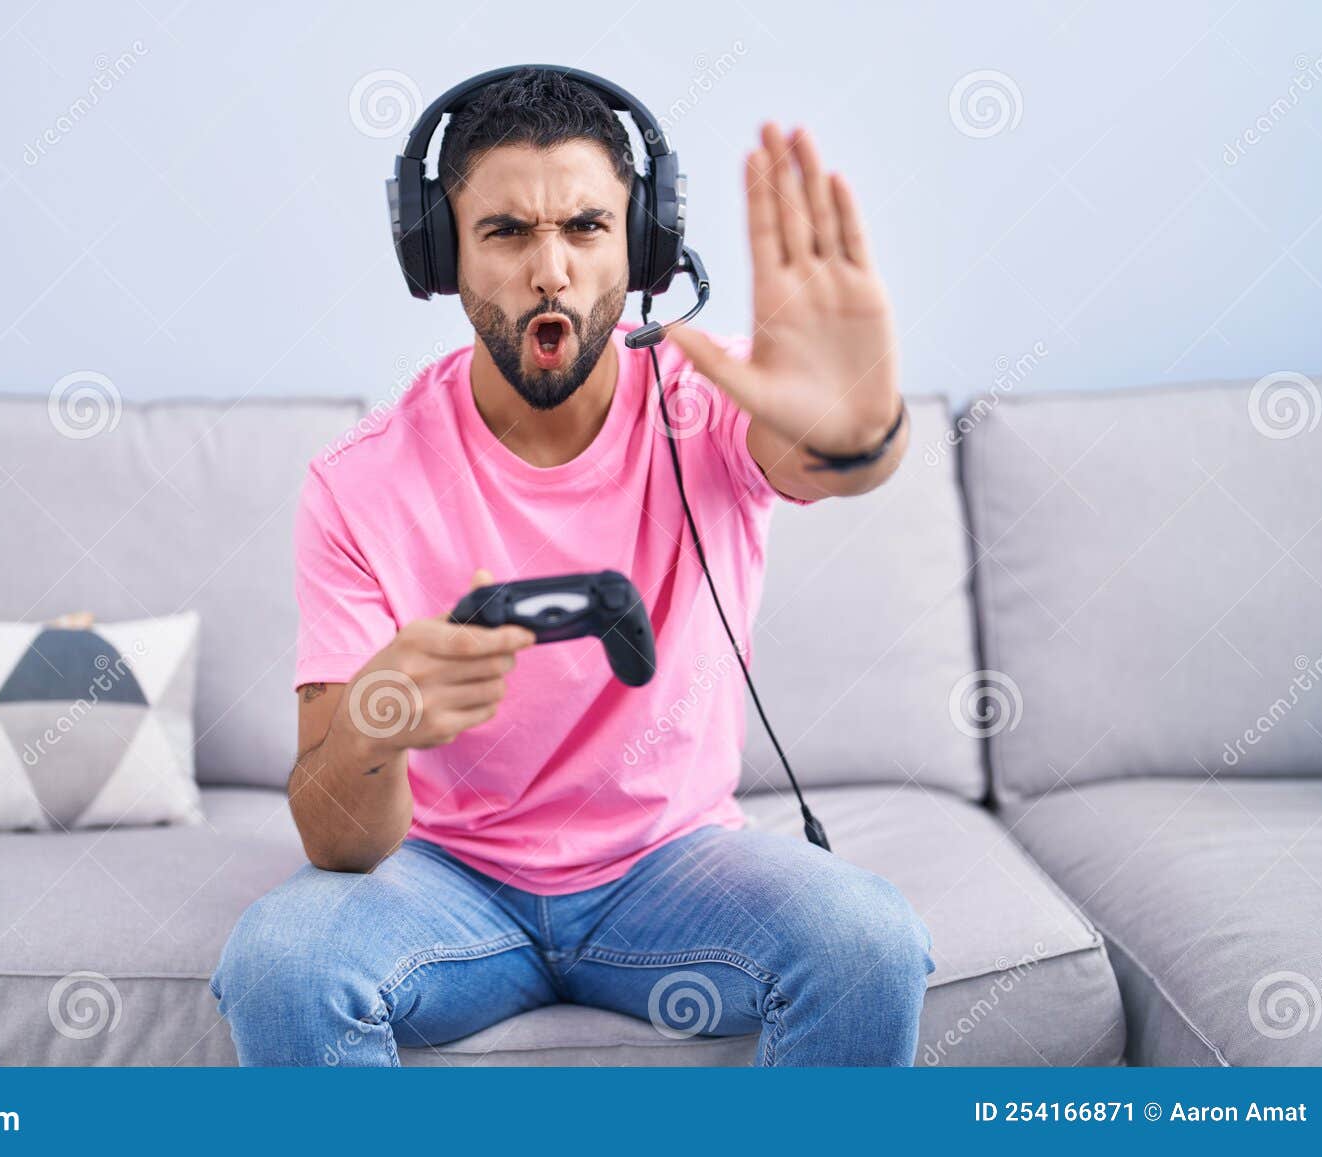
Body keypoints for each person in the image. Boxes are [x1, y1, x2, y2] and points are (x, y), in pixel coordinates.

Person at [211, 67, 932, 1066]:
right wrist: (375, 721)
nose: (550, 270)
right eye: (505, 231)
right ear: (441, 254)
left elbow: (823, 452)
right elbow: (339, 843)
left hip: (672, 866)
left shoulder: (709, 400)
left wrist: (861, 429)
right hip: (446, 878)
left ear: (640, 245)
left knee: (867, 943)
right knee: (280, 964)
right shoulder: (357, 483)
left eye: (587, 227)